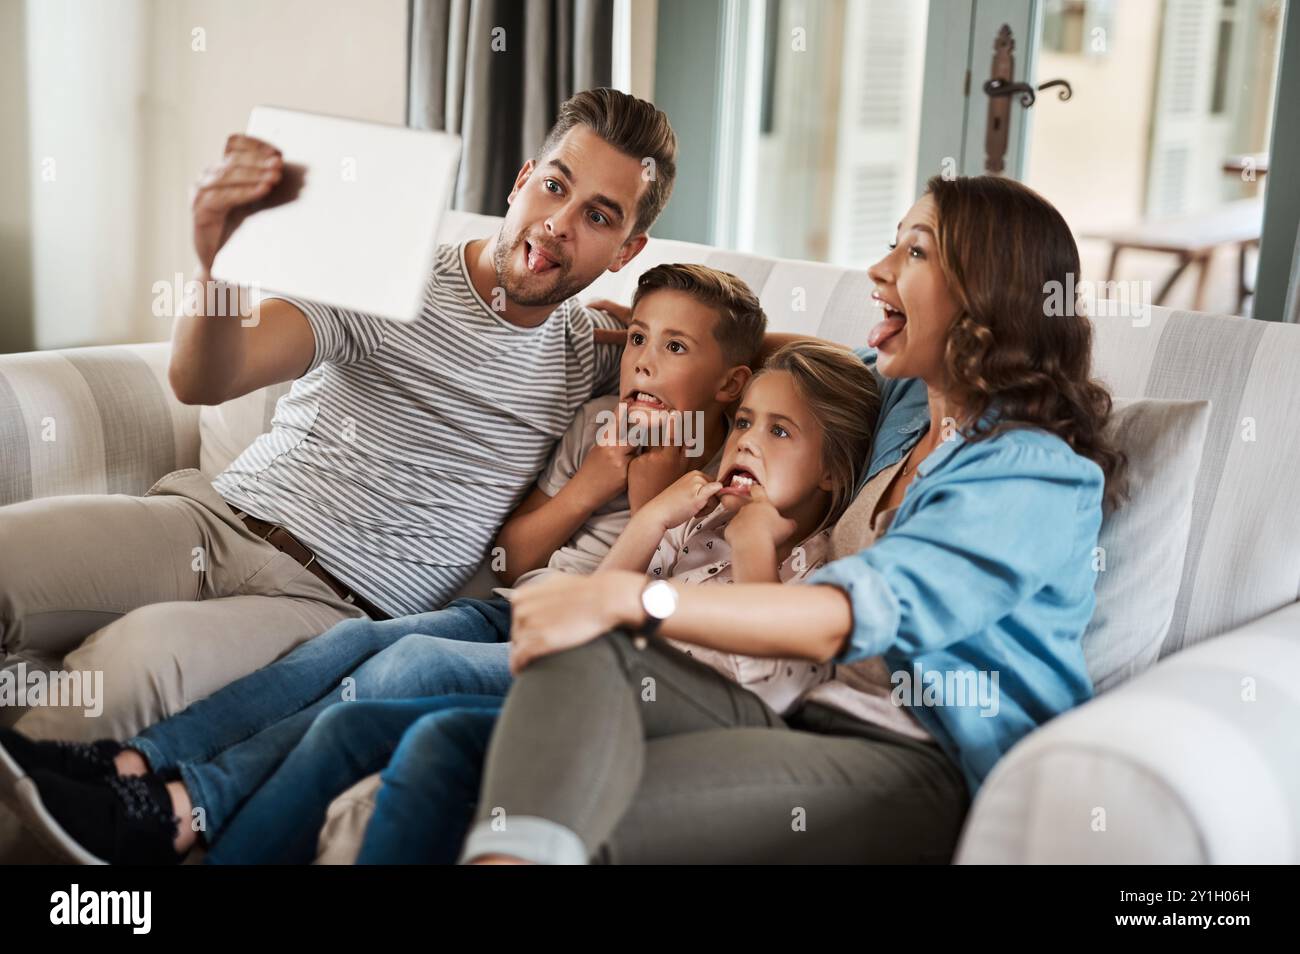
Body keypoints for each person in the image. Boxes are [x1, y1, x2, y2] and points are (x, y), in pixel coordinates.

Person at [453, 174, 1128, 865]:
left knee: (597, 819)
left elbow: (849, 612)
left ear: (987, 296)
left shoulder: (1031, 473)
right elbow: (809, 363)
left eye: (916, 253)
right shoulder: (906, 416)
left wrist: (632, 595)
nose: (879, 268)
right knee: (561, 672)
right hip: (804, 717)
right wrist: (671, 335)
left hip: (921, 761)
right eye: (892, 245)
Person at [0, 263, 767, 865]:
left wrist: (643, 490)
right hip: (510, 605)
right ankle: (133, 767)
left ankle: (183, 808)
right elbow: (510, 556)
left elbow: (622, 607)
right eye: (640, 339)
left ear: (732, 382)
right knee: (342, 648)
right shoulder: (597, 421)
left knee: (406, 665)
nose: (643, 362)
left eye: (675, 348)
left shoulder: (731, 472)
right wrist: (588, 487)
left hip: (572, 642)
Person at [0, 88, 676, 743]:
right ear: (522, 181)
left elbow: (761, 353)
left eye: (599, 216)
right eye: (555, 187)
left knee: (130, 668)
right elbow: (205, 376)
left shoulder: (594, 353)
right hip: (207, 519)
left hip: (325, 606)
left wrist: (664, 322)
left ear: (625, 251)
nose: (560, 223)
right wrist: (221, 262)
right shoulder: (391, 281)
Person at [187, 340, 882, 865]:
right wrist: (650, 523)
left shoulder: (819, 572)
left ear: (831, 470)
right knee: (349, 727)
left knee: (422, 700)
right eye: (744, 424)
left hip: (655, 730)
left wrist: (758, 540)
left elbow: (771, 694)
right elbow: (592, 613)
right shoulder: (699, 529)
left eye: (779, 432)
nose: (748, 443)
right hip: (580, 690)